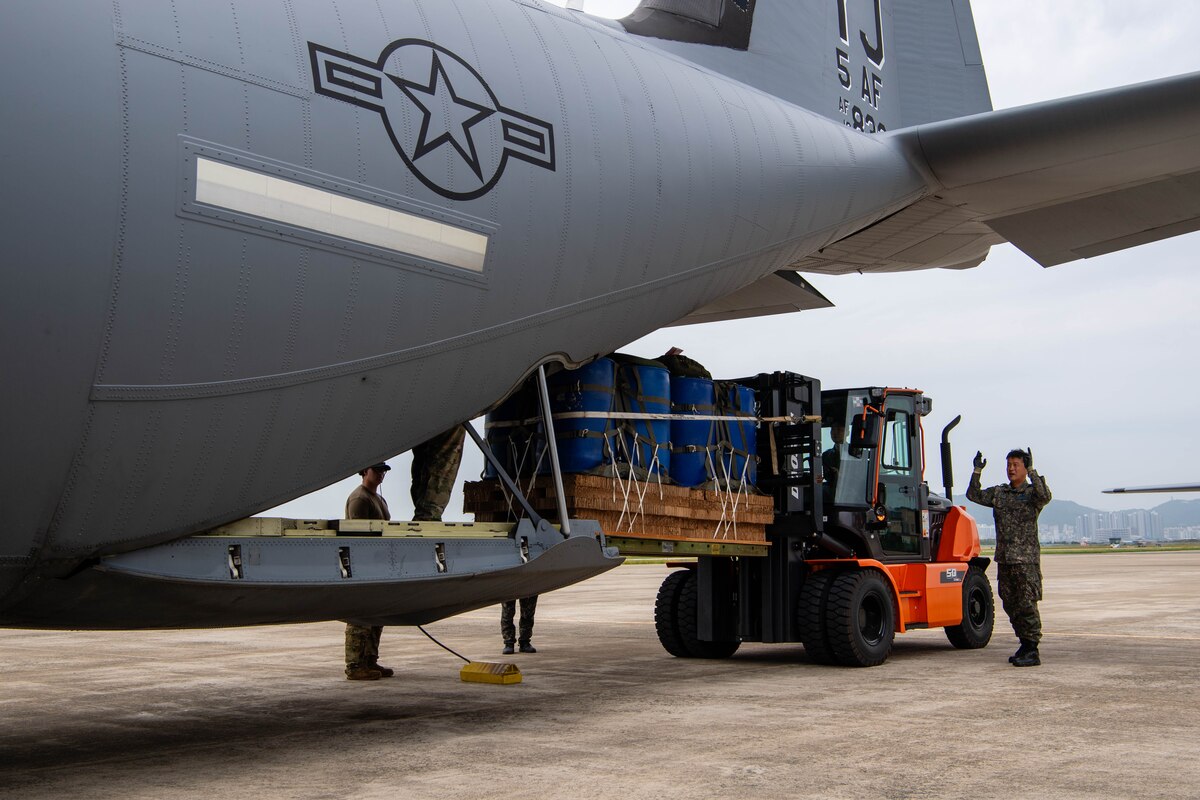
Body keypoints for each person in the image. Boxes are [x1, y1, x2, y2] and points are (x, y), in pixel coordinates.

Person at [966, 448, 1052, 667]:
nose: (1011, 469)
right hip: (1005, 559)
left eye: (1016, 465)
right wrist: (977, 470)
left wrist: (1033, 471)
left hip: (1025, 561)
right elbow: (973, 495)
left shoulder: (1032, 494)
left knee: (1027, 604)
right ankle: (1024, 644)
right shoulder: (1000, 493)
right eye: (1008, 465)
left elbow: (1045, 496)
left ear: (1024, 467)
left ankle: (1032, 648)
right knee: (1009, 603)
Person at [343, 462, 393, 681]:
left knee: (376, 614)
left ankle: (369, 660)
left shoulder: (378, 498)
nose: (381, 474)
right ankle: (355, 665)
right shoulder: (359, 499)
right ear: (364, 471)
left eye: (383, 471)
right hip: (365, 563)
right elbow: (359, 537)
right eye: (377, 470)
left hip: (378, 563)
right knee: (360, 615)